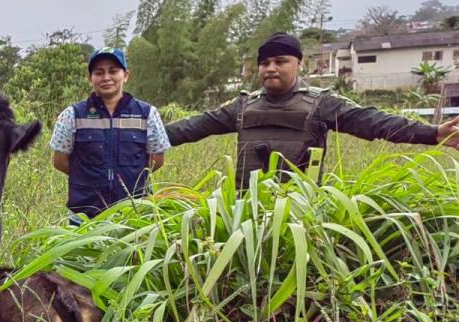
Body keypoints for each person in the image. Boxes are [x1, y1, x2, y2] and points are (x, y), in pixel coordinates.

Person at [166, 32, 459, 188]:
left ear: (298, 63)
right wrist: (147, 137)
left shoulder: (321, 103)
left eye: (280, 61)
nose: (270, 68)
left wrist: (431, 134)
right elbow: (194, 127)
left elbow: (374, 122)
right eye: (264, 63)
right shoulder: (243, 105)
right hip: (245, 211)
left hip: (300, 212)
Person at [49, 47, 171, 219]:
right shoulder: (72, 114)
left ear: (126, 75)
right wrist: (88, 175)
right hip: (84, 215)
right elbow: (60, 161)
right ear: (90, 78)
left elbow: (156, 160)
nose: (106, 77)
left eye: (113, 71)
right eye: (99, 72)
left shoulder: (148, 114)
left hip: (133, 215)